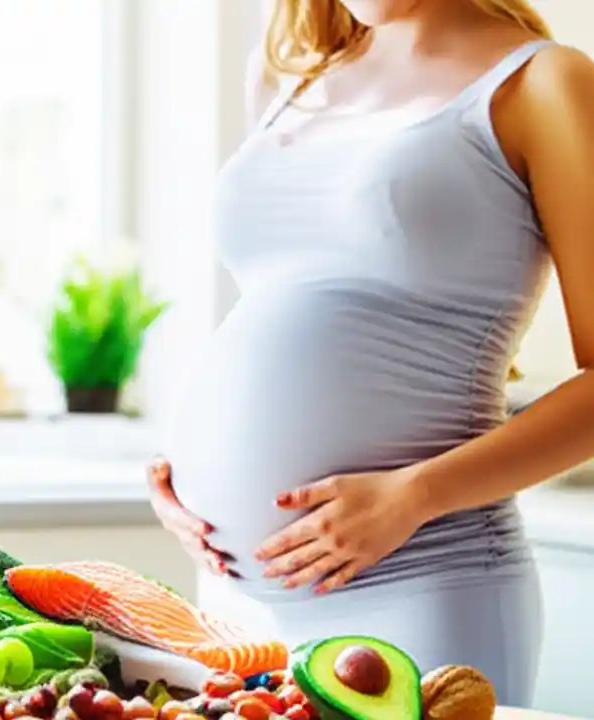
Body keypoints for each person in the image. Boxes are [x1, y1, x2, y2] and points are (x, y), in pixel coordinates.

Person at [147, 0, 594, 707]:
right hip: (233, 601)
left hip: (421, 584)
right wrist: (188, 474)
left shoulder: (542, 84)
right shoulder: (287, 78)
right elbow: (283, 301)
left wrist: (415, 495)